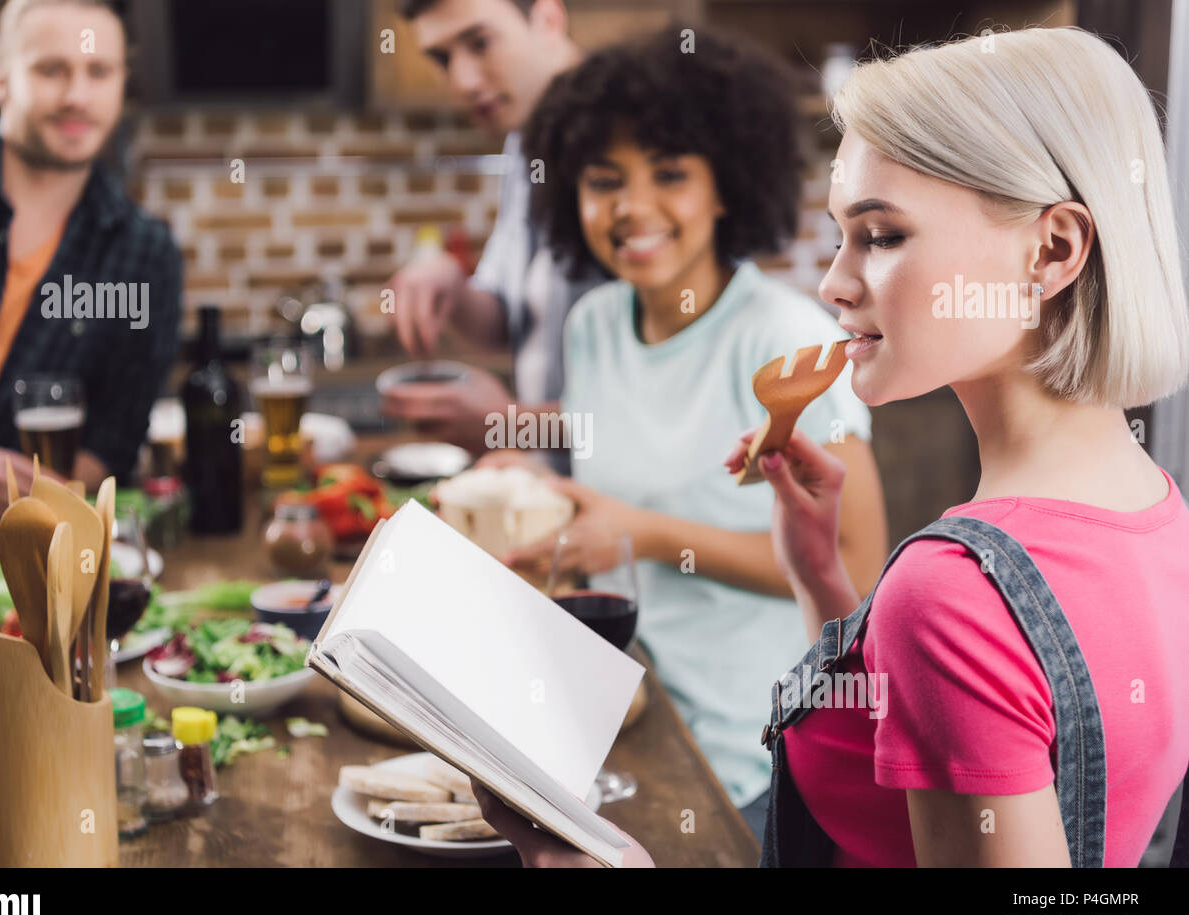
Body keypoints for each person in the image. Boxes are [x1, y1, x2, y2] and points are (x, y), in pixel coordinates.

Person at [477, 26, 1189, 867]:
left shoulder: (950, 592)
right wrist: (823, 587)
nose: (832, 282)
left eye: (881, 235)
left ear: (1053, 250)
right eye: (841, 233)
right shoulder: (1153, 503)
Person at [500, 27, 888, 839]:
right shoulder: (597, 321)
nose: (632, 209)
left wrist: (633, 533)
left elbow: (855, 572)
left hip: (744, 755)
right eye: (604, 182)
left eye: (669, 175)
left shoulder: (784, 341)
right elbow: (631, 454)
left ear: (725, 187)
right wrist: (540, 493)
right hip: (619, 724)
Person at [0, 0, 182, 541]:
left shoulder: (146, 255)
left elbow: (107, 450)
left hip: (1, 561)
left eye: (98, 71)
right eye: (52, 69)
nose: (77, 95)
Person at [381, 0, 605, 462]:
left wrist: (509, 425)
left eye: (480, 43)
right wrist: (452, 285)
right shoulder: (524, 144)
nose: (462, 81)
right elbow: (507, 323)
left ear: (548, 18)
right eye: (442, 59)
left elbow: (670, 422)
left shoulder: (634, 148)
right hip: (557, 502)